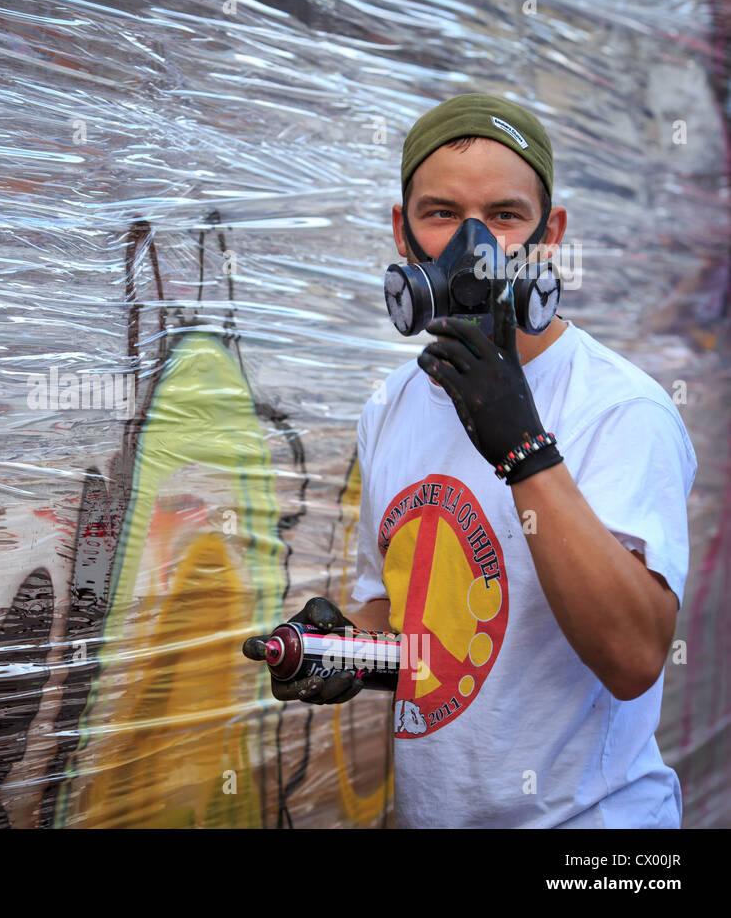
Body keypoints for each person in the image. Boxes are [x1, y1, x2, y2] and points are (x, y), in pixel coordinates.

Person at [261, 93, 697, 828]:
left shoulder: (622, 407)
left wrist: (521, 446)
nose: (474, 248)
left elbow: (632, 657)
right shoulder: (391, 408)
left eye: (503, 216)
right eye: (441, 215)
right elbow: (412, 630)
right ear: (403, 236)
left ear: (549, 234)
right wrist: (339, 654)